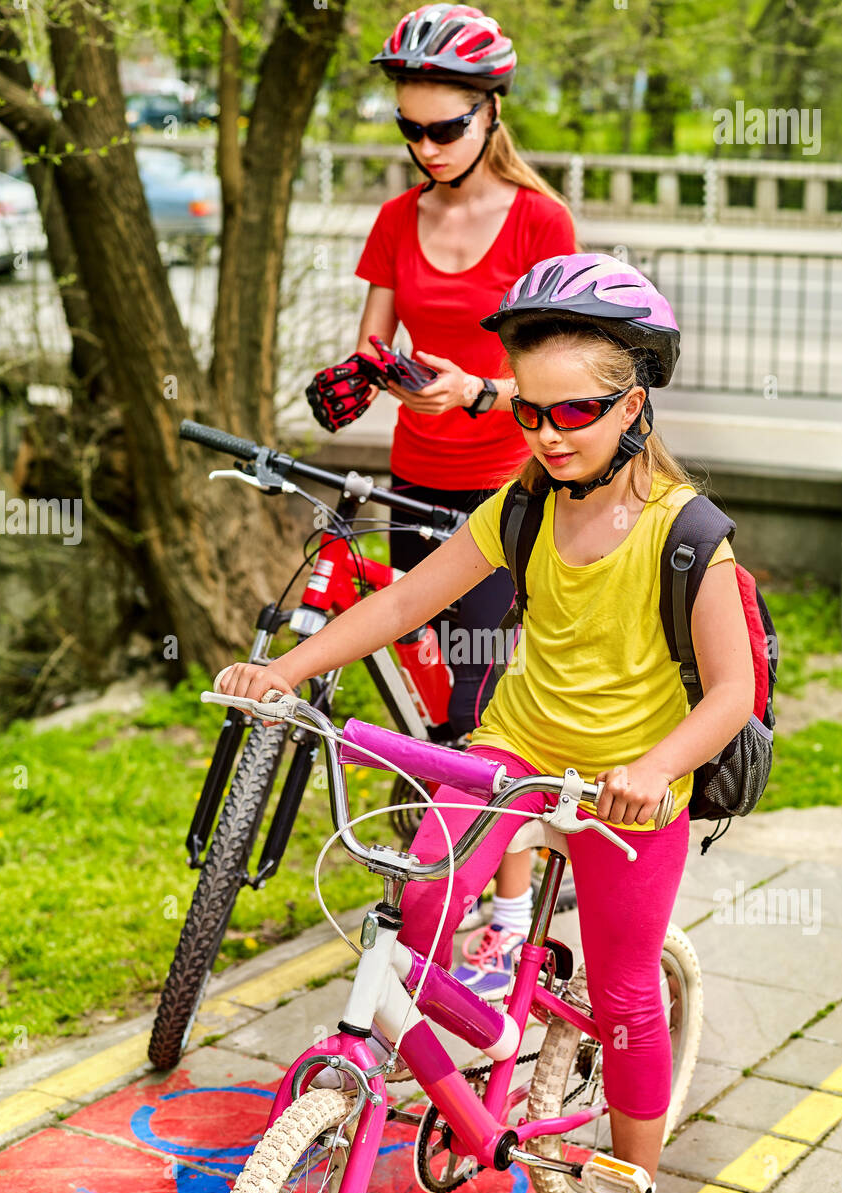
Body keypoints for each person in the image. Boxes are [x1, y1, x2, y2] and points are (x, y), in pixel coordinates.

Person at [217, 251, 755, 1193]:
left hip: (627, 786)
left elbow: (729, 692)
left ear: (635, 402)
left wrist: (652, 767)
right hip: (518, 746)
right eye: (532, 414)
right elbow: (407, 600)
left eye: (577, 412)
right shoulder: (524, 502)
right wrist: (283, 669)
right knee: (422, 889)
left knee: (629, 996)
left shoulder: (689, 535)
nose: (550, 434)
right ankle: (489, 1037)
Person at [310, 5, 577, 972]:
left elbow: (567, 380)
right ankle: (459, 866)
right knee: (435, 691)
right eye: (407, 129)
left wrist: (484, 393)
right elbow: (373, 341)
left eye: (443, 128)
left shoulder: (540, 222)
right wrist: (355, 377)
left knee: (479, 703)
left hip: (512, 490)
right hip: (414, 484)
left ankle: (505, 925)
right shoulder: (395, 221)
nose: (424, 149)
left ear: (490, 115)